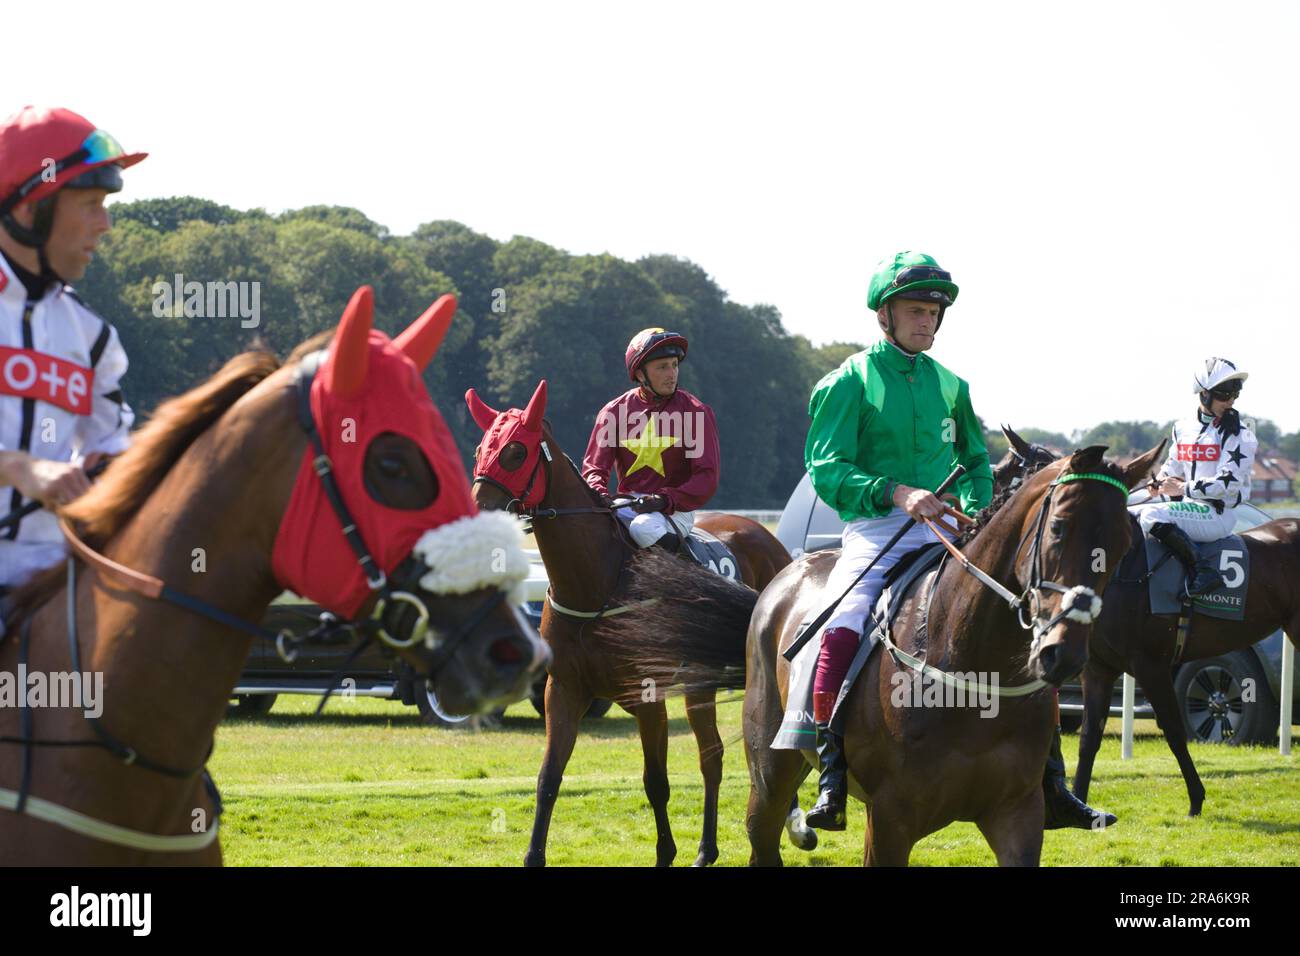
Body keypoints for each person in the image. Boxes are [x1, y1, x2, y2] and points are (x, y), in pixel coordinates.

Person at [802, 250, 1112, 833]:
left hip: (947, 531)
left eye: (932, 313)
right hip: (876, 532)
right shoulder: (846, 383)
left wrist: (973, 507)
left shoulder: (952, 385)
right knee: (843, 621)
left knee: (1021, 628)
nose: (925, 321)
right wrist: (897, 492)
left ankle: (1053, 783)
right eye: (914, 311)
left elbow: (974, 462)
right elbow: (827, 468)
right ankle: (831, 770)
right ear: (884, 317)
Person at [0, 106, 143, 593]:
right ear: (27, 209)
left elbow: (111, 445)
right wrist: (19, 468)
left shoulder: (91, 334)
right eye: (90, 204)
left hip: (51, 579)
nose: (105, 224)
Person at [581, 328, 719, 552]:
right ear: (640, 374)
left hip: (676, 509)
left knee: (643, 527)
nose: (672, 373)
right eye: (662, 367)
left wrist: (664, 500)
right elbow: (594, 469)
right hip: (628, 504)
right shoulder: (613, 412)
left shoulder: (695, 412)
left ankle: (691, 575)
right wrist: (601, 497)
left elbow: (707, 477)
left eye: (674, 365)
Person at [1131, 357, 1257, 597]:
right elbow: (1173, 466)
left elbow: (1226, 486)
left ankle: (1202, 569)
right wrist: (1159, 481)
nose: (1230, 400)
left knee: (1149, 515)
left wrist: (1183, 489)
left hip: (1216, 515)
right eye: (1224, 394)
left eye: (1235, 393)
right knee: (1125, 506)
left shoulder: (1241, 435)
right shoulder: (1181, 428)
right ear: (1204, 393)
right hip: (1187, 507)